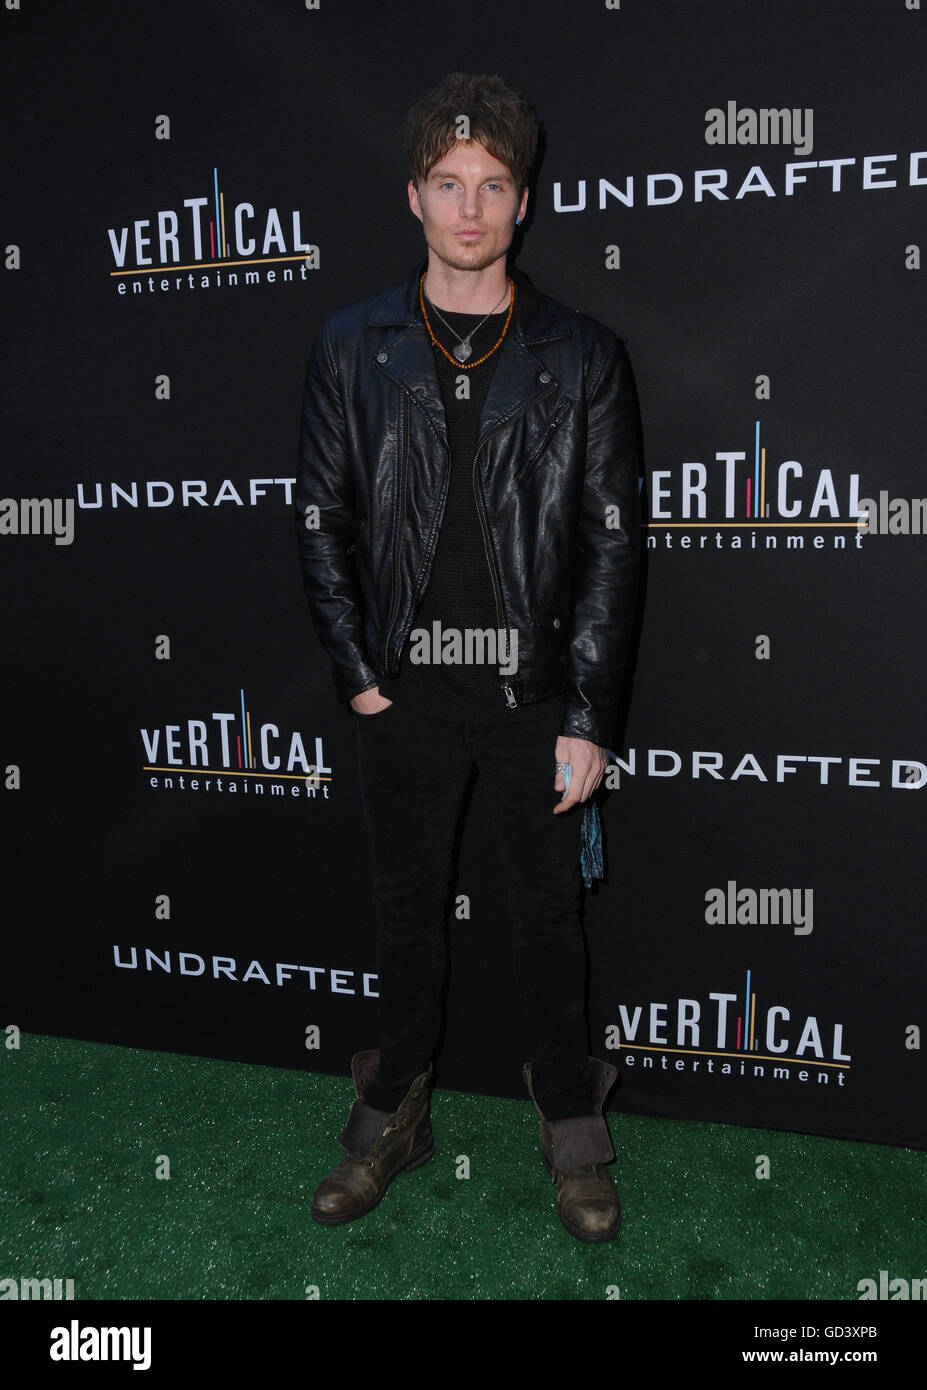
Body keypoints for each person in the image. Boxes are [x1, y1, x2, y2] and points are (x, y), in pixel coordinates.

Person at [294, 71, 642, 1243]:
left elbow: (609, 545)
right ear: (413, 196)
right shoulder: (353, 345)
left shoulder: (583, 355)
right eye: (449, 184)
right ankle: (391, 1107)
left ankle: (569, 1123)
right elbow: (320, 521)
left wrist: (588, 711)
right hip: (403, 696)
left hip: (534, 698)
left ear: (524, 201)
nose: (471, 208)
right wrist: (360, 673)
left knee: (550, 921)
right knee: (403, 913)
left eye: (493, 185)